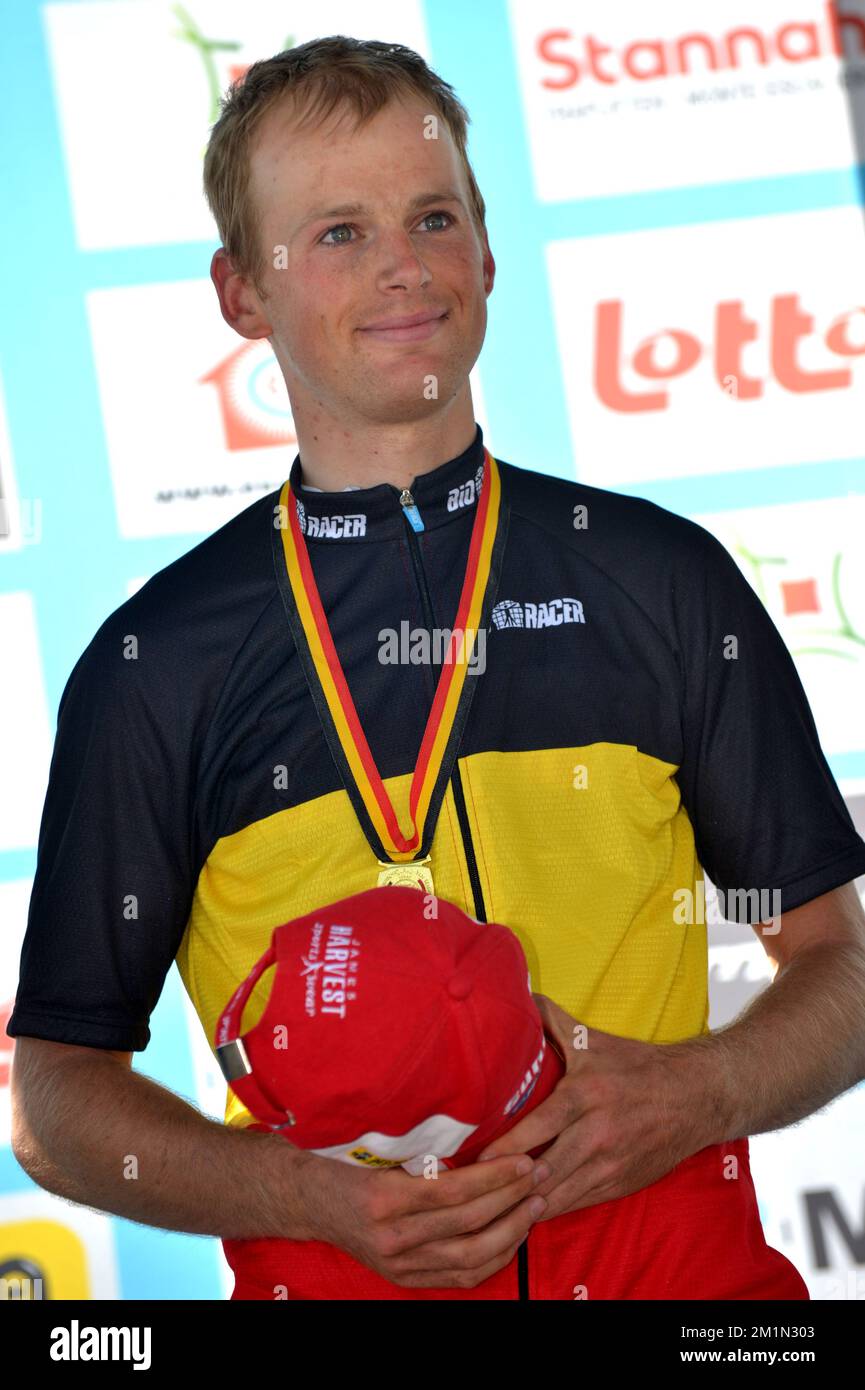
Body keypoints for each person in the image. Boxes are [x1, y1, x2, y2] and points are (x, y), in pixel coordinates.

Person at [9, 35, 865, 1302]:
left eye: (433, 215)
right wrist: (308, 1197)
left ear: (487, 250)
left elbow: (838, 961)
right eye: (338, 233)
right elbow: (55, 1098)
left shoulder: (661, 578)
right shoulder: (158, 664)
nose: (405, 264)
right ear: (241, 290)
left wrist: (701, 1091)